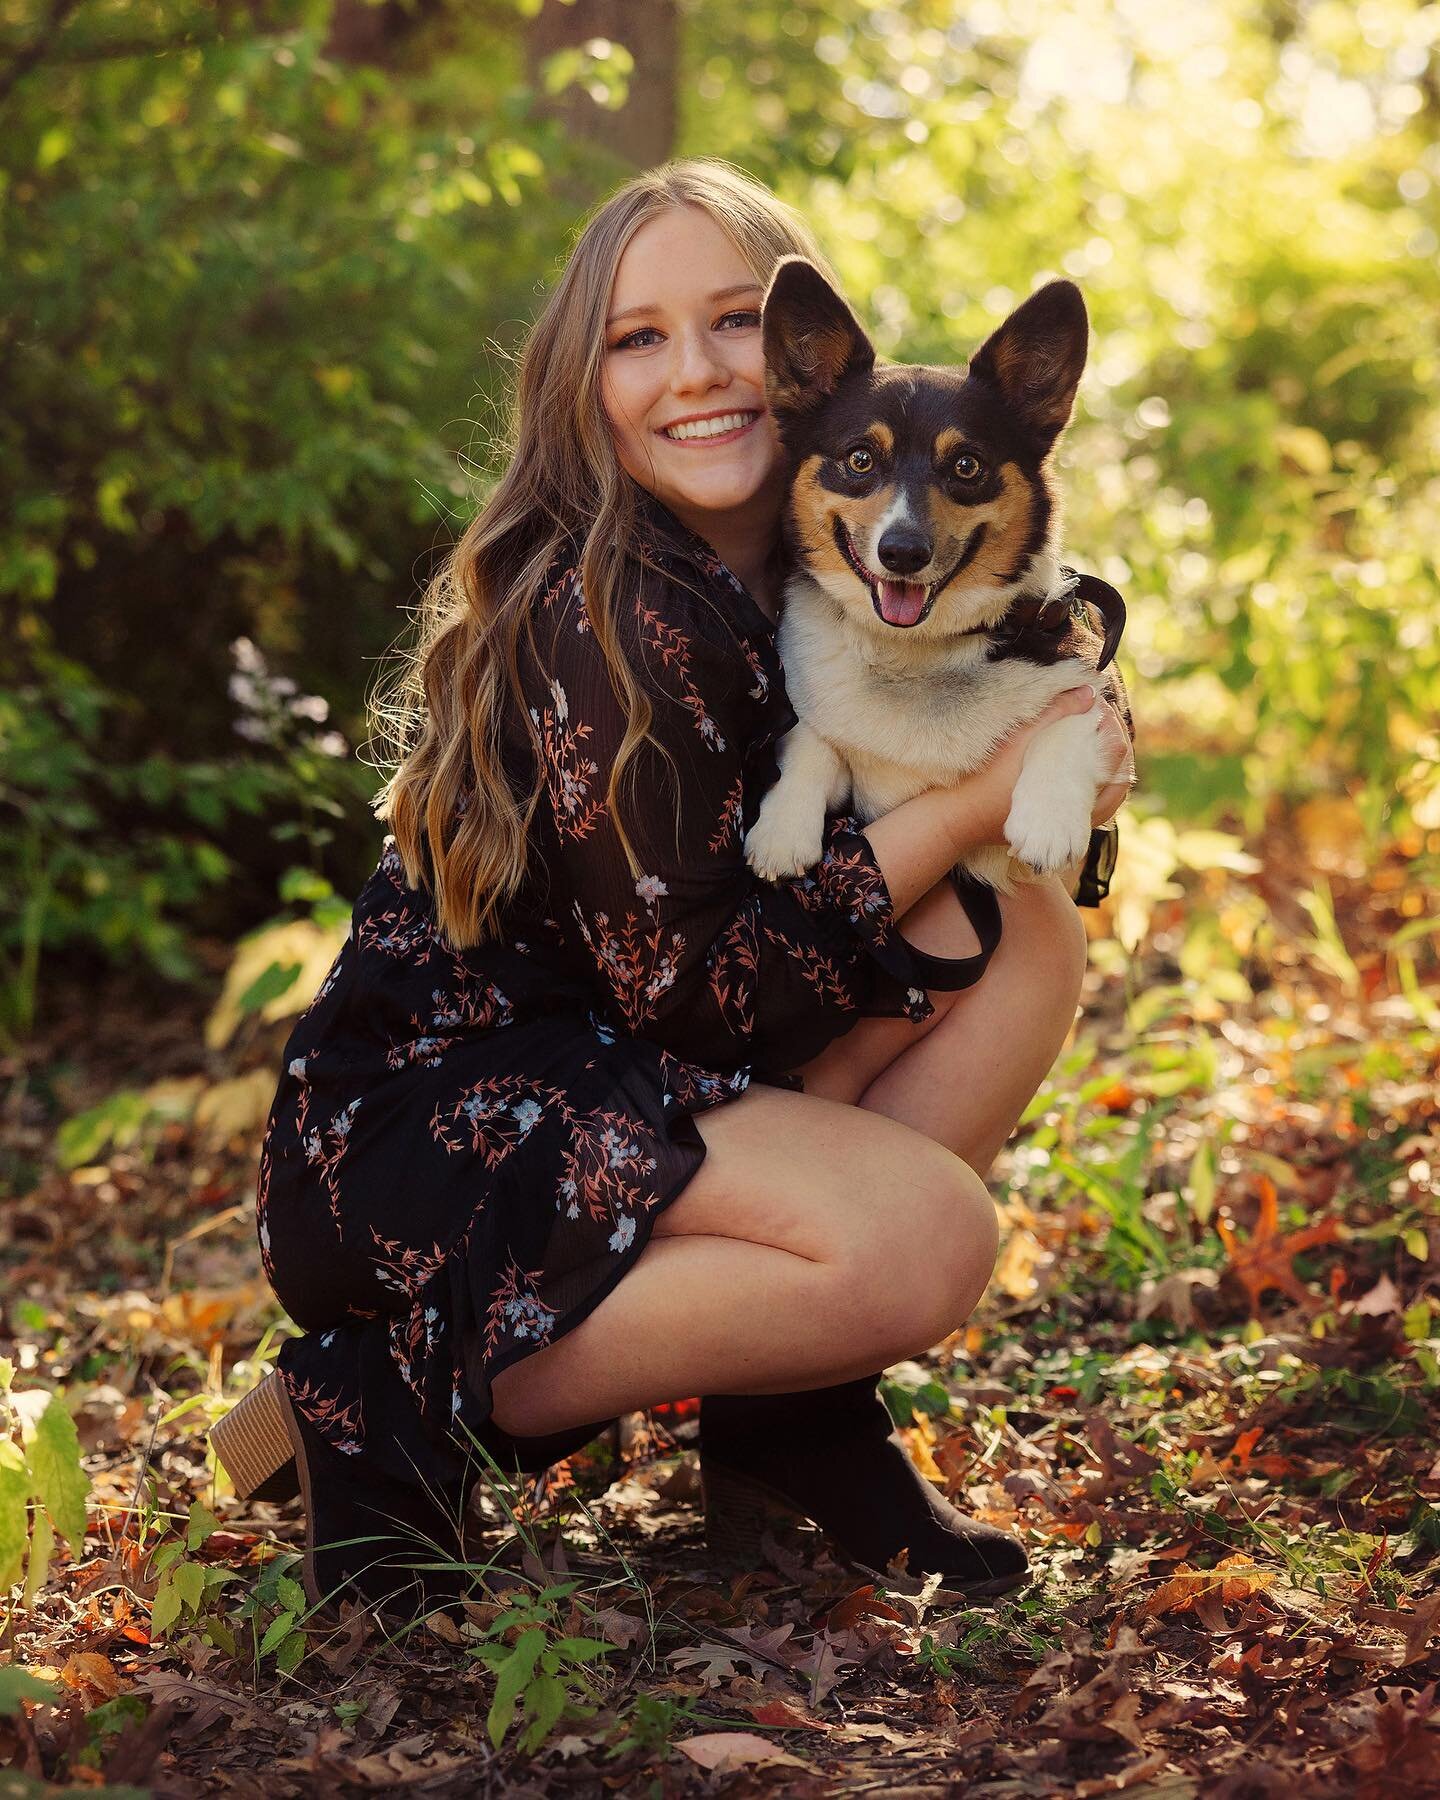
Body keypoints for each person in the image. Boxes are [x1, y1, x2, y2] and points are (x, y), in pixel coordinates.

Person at [214, 157, 1134, 1620]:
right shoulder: (608, 608)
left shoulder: (816, 556)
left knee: (1022, 937)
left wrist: (1062, 705)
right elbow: (703, 997)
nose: (697, 373)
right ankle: (384, 1408)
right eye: (640, 337)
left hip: (616, 1074)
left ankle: (785, 1419)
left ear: (801, 367)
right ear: (586, 383)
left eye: (728, 327)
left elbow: (1000, 626)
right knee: (926, 1237)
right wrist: (972, 793)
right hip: (440, 1130)